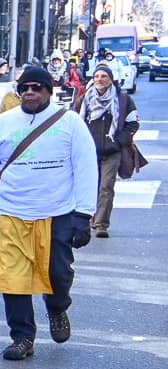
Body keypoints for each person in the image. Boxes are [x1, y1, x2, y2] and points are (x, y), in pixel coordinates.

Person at [0, 64, 98, 360]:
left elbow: (86, 168)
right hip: (11, 213)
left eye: (36, 88)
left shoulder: (70, 123)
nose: (30, 92)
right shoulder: (2, 123)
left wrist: (83, 215)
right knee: (13, 279)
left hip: (57, 214)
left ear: (48, 92)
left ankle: (57, 308)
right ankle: (22, 337)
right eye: (24, 88)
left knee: (57, 274)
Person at [71, 61, 147, 237]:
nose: (100, 79)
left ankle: (101, 224)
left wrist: (119, 141)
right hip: (89, 152)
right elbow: (73, 123)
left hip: (112, 152)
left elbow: (132, 123)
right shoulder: (84, 100)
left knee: (106, 187)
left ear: (111, 80)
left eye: (104, 76)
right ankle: (89, 217)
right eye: (97, 76)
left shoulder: (124, 100)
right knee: (91, 187)